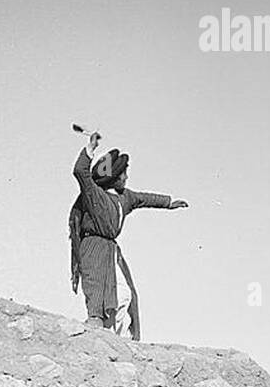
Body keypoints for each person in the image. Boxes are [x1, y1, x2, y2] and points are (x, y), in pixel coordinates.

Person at [68, 131, 187, 340]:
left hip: (111, 251)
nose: (127, 177)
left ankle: (121, 340)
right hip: (92, 248)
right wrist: (91, 148)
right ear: (114, 176)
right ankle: (96, 326)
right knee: (96, 287)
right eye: (123, 174)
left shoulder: (125, 198)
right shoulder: (94, 193)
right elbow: (80, 171)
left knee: (125, 294)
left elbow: (144, 198)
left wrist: (169, 203)